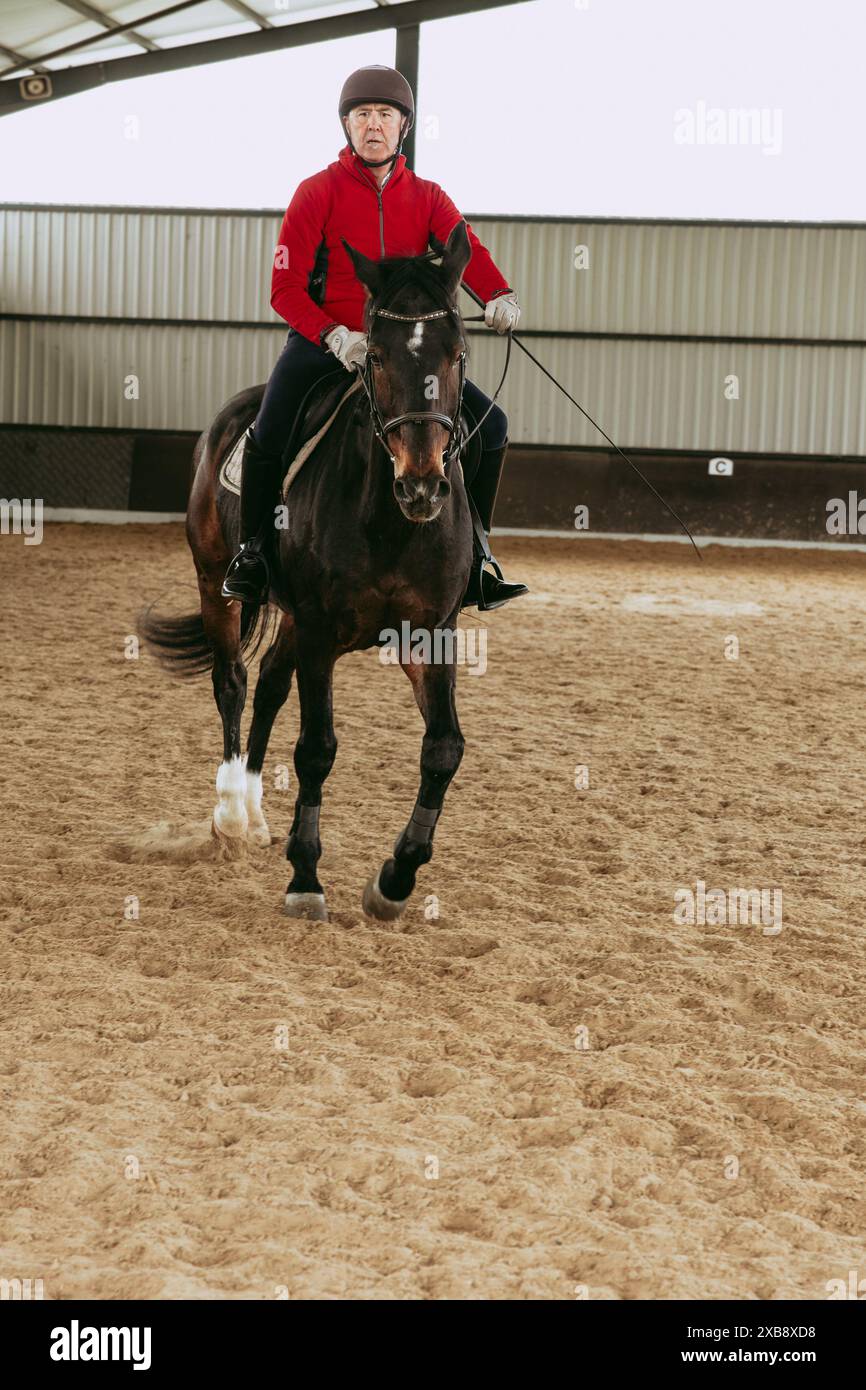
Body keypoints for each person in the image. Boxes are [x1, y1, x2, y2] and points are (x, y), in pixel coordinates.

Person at [222, 64, 528, 613]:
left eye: (384, 115)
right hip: (325, 345)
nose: (373, 125)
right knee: (268, 434)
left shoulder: (429, 196)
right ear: (346, 125)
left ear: (402, 127)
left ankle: (478, 556)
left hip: (404, 353)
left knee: (494, 425)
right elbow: (284, 287)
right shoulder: (315, 193)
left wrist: (498, 295)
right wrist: (333, 334)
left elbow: (467, 251)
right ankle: (253, 554)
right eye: (361, 115)